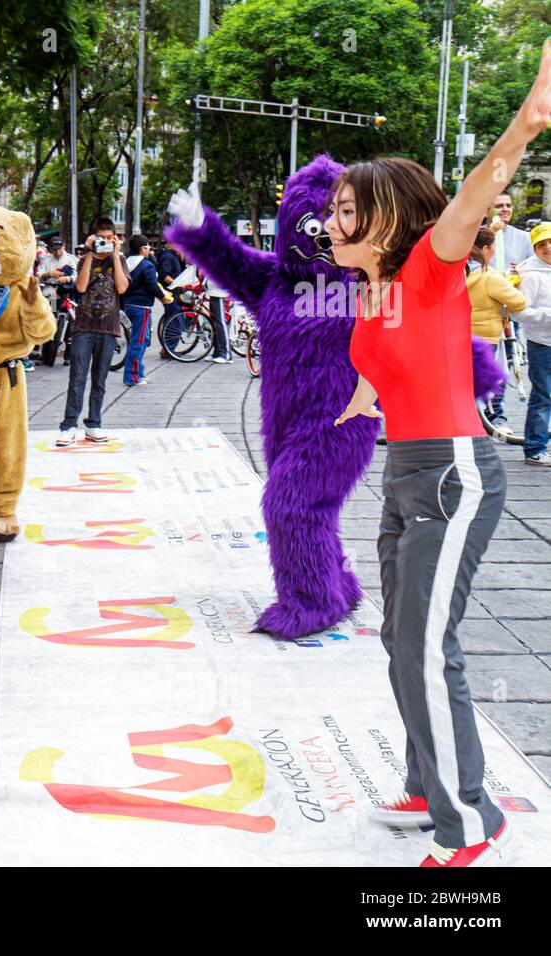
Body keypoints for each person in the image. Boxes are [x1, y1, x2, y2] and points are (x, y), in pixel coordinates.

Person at [330, 39, 550, 867]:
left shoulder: (429, 266)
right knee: (403, 638)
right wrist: (351, 408)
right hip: (407, 472)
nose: (334, 221)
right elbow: (382, 375)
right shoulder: (370, 295)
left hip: (454, 473)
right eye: (336, 209)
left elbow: (471, 196)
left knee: (426, 645)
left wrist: (526, 125)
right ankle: (429, 785)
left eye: (351, 210)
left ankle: (469, 821)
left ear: (389, 216)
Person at [57, 219, 130, 446]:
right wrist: (89, 254)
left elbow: (121, 288)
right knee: (77, 378)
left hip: (108, 328)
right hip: (84, 327)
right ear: (93, 239)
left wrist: (116, 255)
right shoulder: (83, 260)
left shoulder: (119, 260)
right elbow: (79, 287)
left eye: (110, 238)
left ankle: (94, 424)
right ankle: (69, 426)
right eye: (102, 238)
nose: (106, 242)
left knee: (100, 379)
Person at [466, 229, 526, 435]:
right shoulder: (491, 277)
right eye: (493, 247)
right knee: (494, 378)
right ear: (485, 248)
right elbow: (519, 301)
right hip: (490, 335)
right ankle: (495, 419)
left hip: (468, 333)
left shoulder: (468, 273)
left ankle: (474, 419)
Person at [511, 222, 551, 464]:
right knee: (543, 395)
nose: (547, 248)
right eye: (541, 245)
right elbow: (518, 311)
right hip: (542, 343)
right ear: (535, 249)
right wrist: (548, 315)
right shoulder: (530, 274)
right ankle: (535, 448)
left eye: (550, 242)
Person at [121, 234, 163, 386]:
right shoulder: (146, 265)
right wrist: (163, 296)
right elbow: (152, 285)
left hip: (128, 304)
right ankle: (131, 376)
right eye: (148, 247)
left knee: (141, 339)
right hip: (142, 306)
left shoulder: (126, 263)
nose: (149, 250)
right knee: (138, 341)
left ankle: (139, 372)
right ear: (143, 249)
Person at [490, 192, 535, 273]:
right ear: (485, 211)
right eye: (499, 206)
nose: (505, 209)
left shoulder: (525, 237)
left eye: (508, 206)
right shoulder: (474, 237)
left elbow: (535, 265)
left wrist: (523, 269)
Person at [156, 240, 186, 358]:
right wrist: (177, 284)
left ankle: (167, 349)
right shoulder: (168, 256)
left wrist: (181, 258)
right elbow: (164, 275)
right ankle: (168, 350)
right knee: (175, 322)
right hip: (170, 295)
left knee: (173, 320)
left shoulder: (173, 256)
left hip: (173, 295)